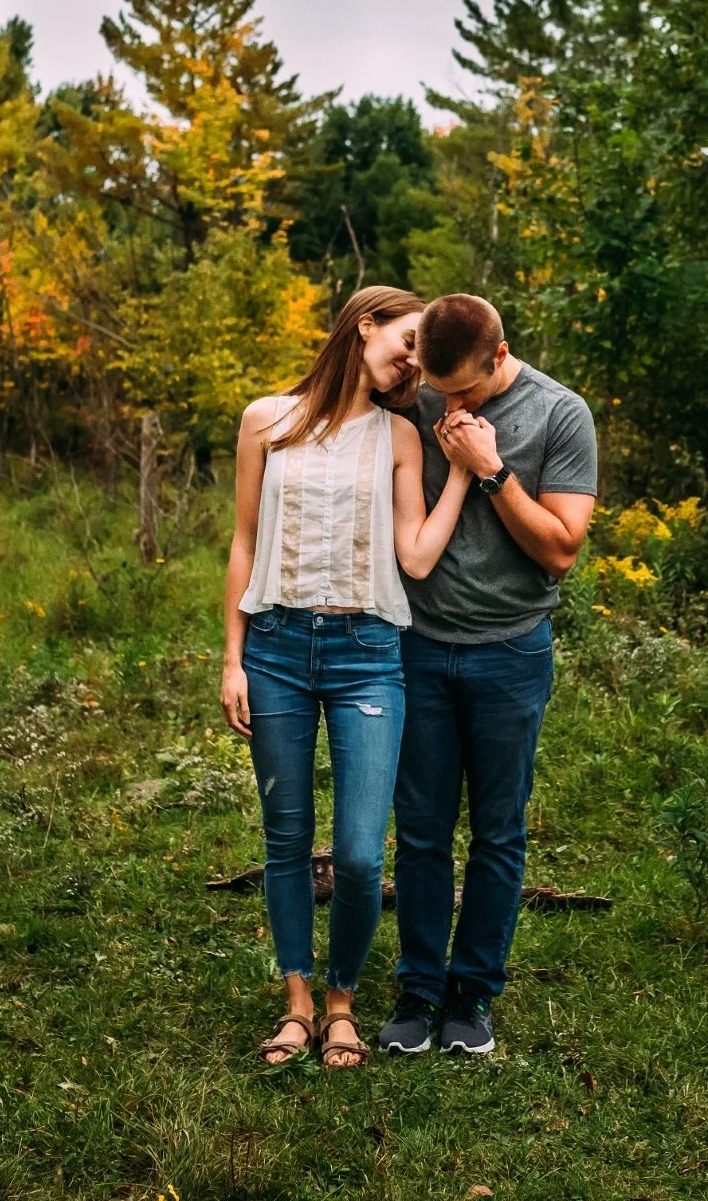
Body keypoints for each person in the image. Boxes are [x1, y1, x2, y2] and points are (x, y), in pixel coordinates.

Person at [220, 285, 475, 1069]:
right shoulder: (265, 420)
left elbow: (416, 558)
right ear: (362, 325)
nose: (411, 361)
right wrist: (231, 658)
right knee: (287, 838)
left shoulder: (400, 437)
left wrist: (463, 473)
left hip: (369, 653)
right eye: (404, 341)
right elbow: (242, 541)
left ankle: (343, 1002)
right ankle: (298, 1005)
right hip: (275, 651)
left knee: (362, 854)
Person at [376, 294, 597, 1057]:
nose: (451, 404)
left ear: (499, 357)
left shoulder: (562, 415)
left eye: (465, 390)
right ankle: (417, 991)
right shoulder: (419, 398)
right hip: (419, 646)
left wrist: (490, 470)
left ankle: (472, 995)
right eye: (441, 389)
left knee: (499, 831)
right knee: (423, 830)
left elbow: (561, 549)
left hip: (510, 650)